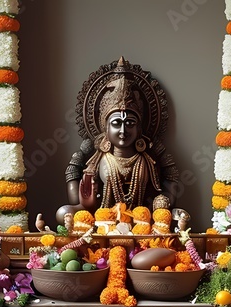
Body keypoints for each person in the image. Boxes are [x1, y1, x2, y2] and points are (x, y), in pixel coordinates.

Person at [58, 58, 179, 225]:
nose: (123, 131)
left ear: (139, 129)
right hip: (104, 216)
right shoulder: (99, 157)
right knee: (63, 213)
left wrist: (163, 202)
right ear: (105, 128)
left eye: (130, 123)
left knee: (172, 216)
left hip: (141, 217)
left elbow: (171, 175)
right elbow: (72, 175)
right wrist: (84, 203)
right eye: (116, 123)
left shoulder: (145, 159)